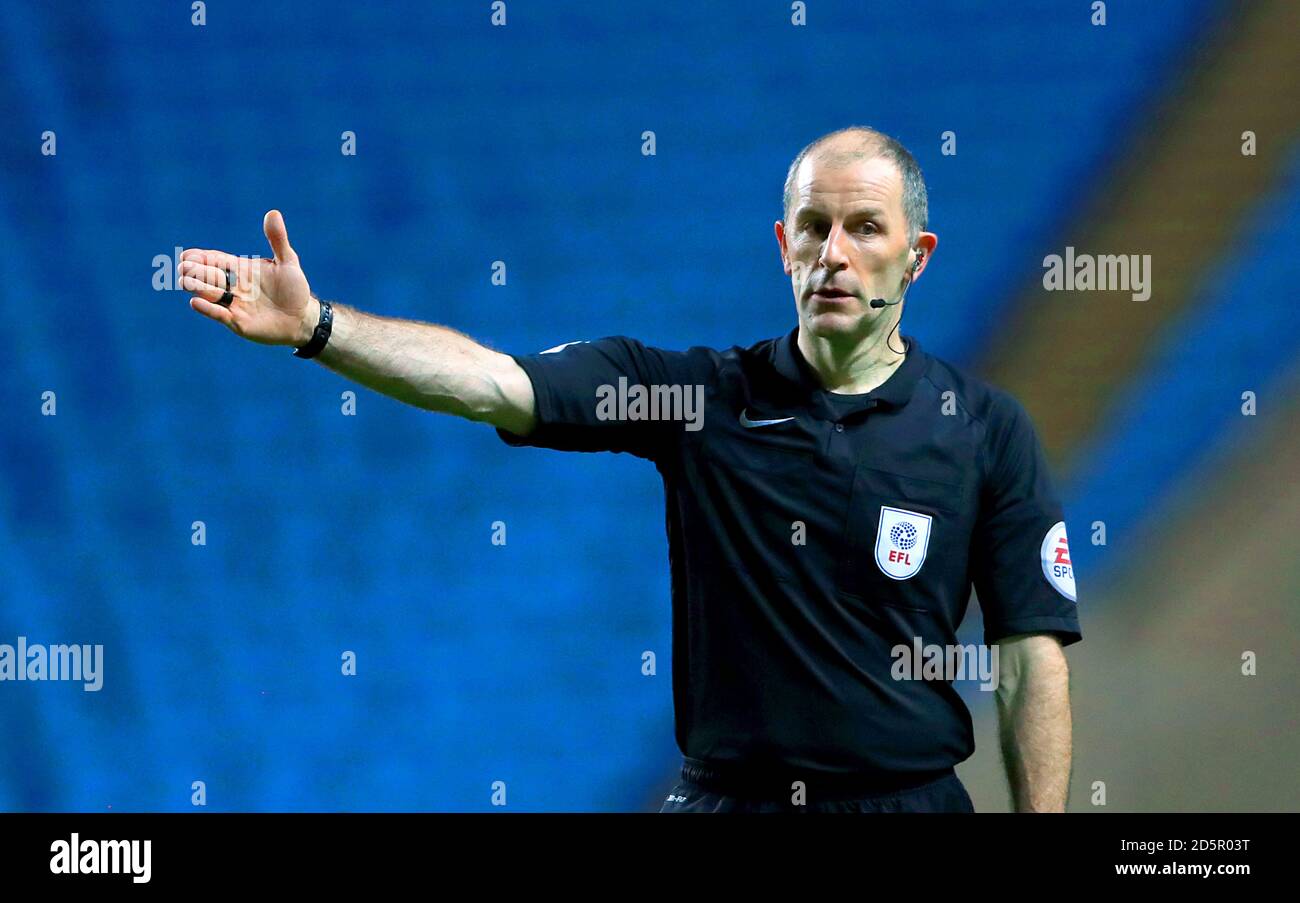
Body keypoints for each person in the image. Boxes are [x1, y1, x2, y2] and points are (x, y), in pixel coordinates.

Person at [179, 125, 1080, 813]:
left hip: (908, 802)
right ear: (782, 245)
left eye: (863, 228)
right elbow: (493, 382)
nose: (833, 253)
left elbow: (1030, 658)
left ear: (915, 256)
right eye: (813, 227)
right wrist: (318, 326)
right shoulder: (693, 400)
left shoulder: (985, 432)